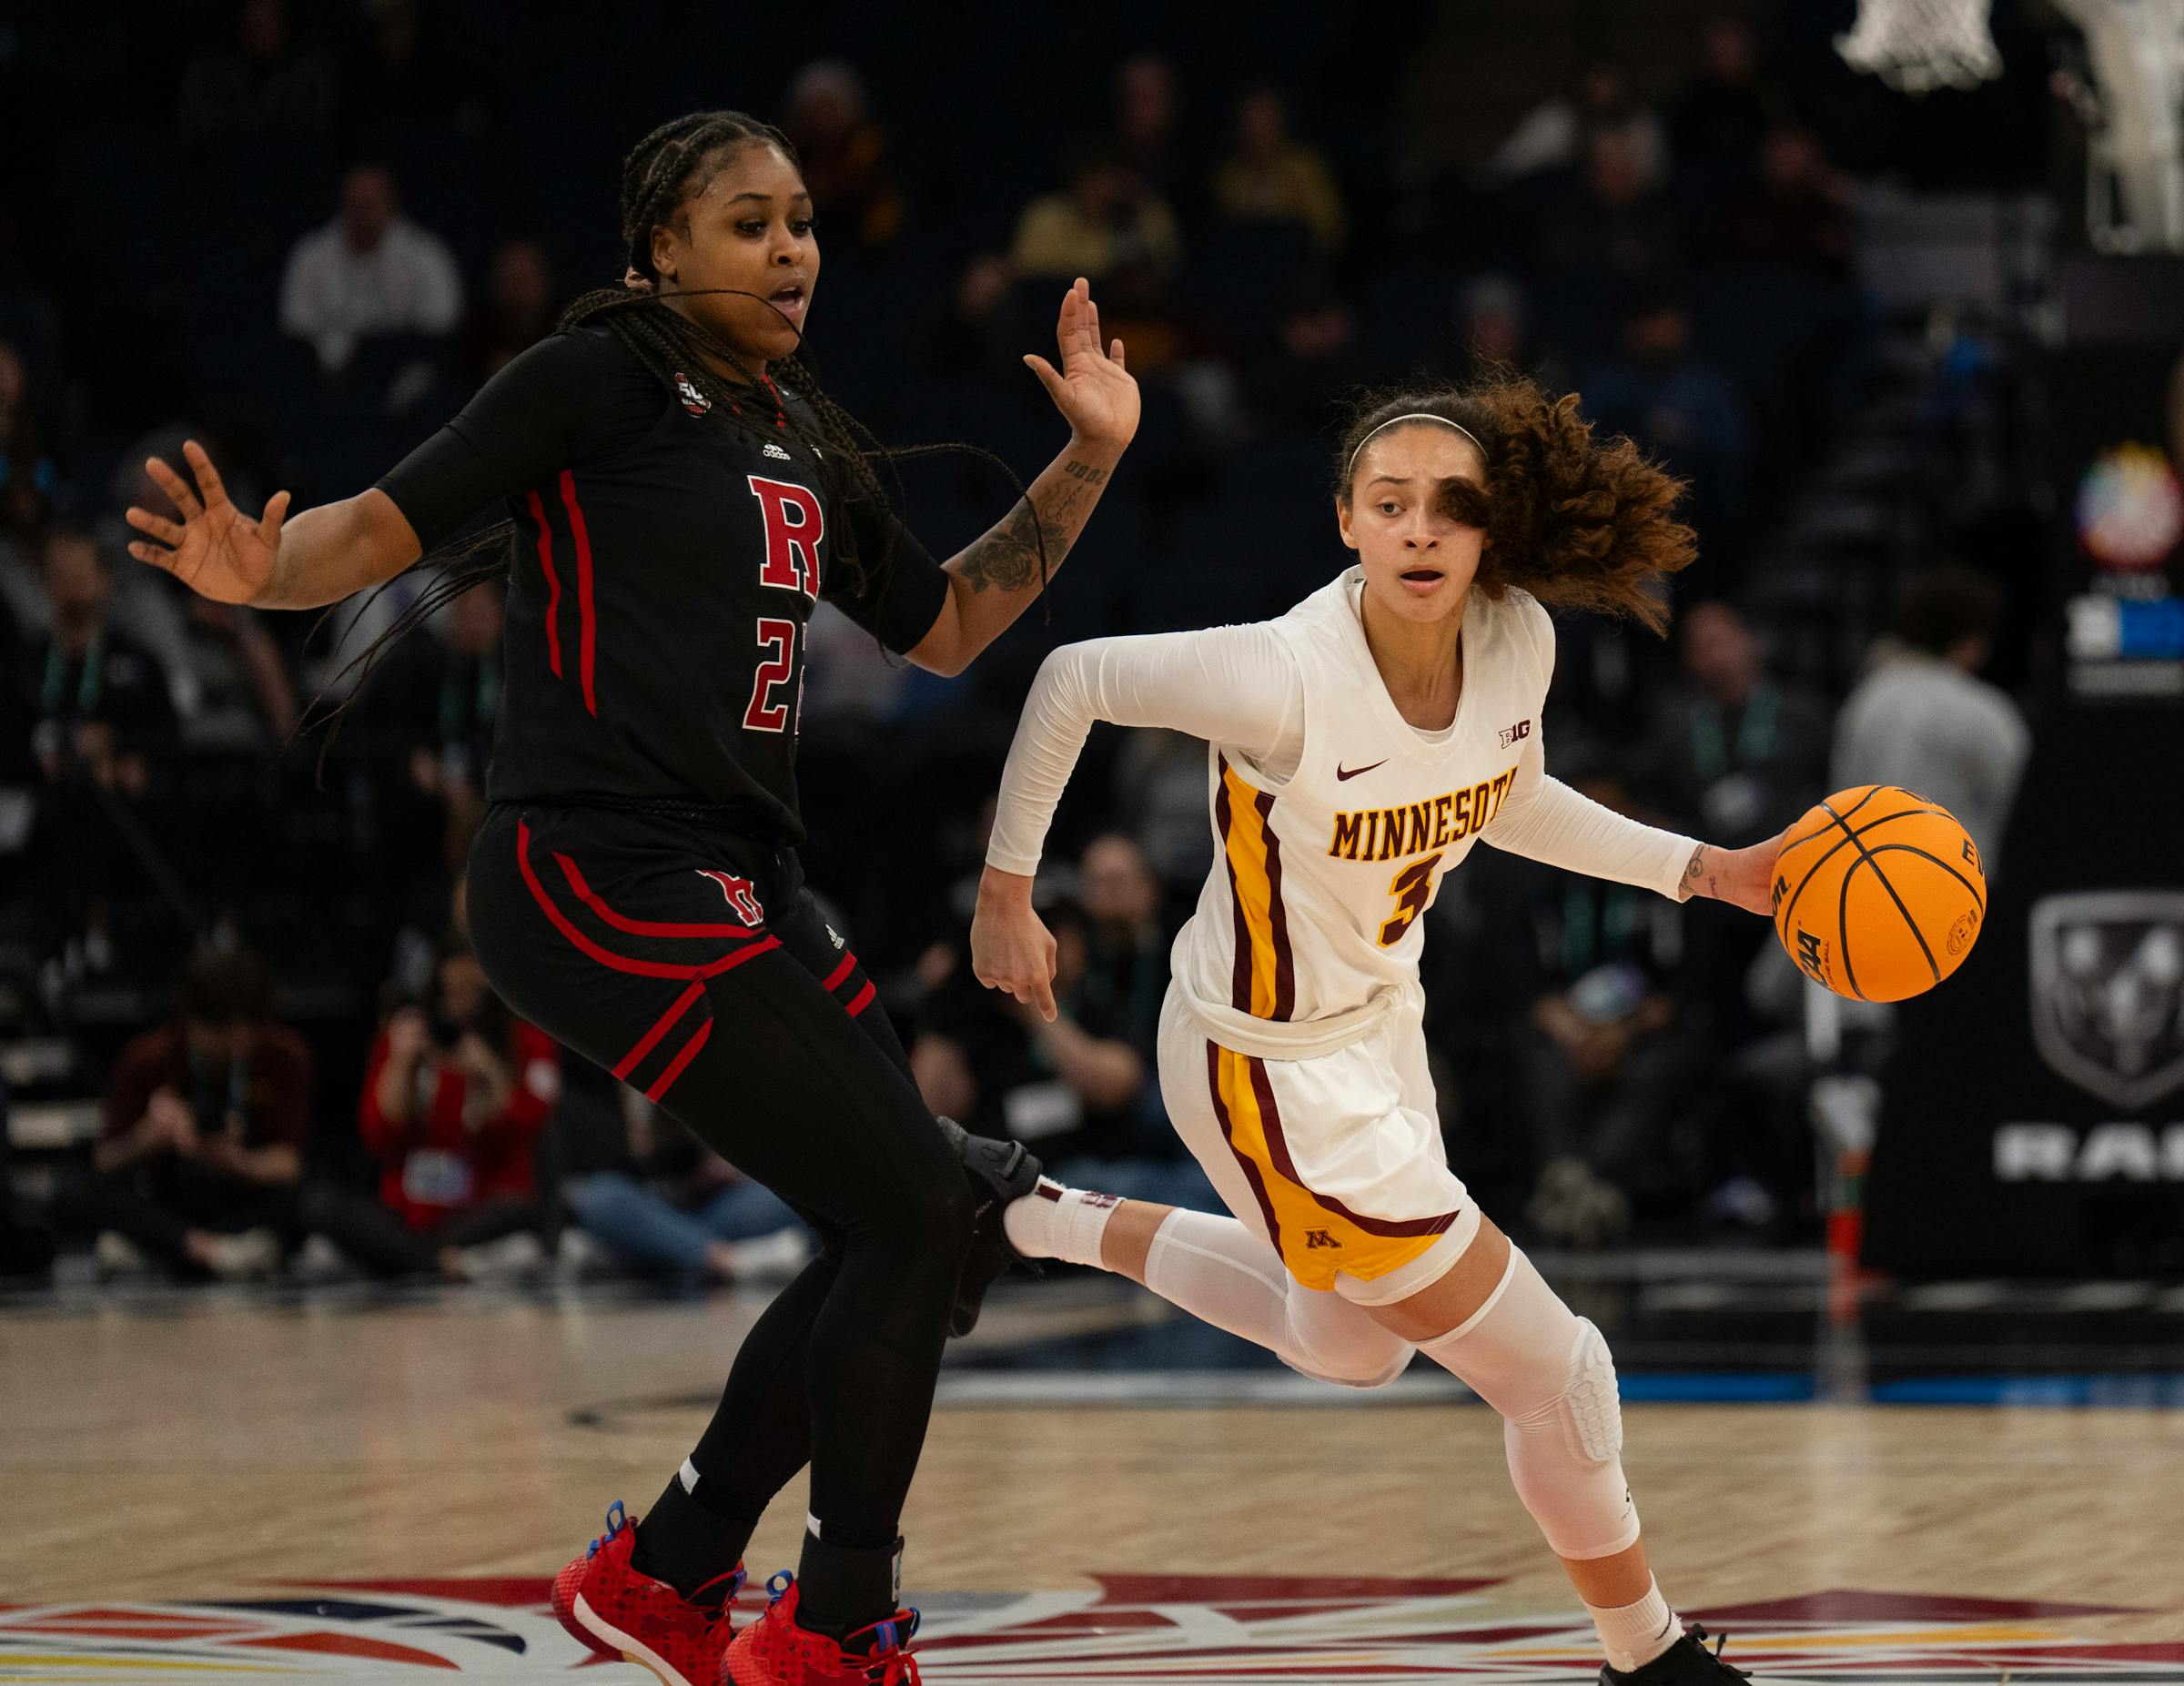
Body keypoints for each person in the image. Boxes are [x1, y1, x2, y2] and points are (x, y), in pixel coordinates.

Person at [126, 107, 1138, 1686]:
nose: (791, 246)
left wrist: (1089, 458)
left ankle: (667, 1573)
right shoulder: (594, 375)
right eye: (748, 221)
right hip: (588, 864)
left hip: (746, 875)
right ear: (660, 249)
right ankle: (835, 1626)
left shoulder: (802, 426)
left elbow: (944, 626)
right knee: (927, 1200)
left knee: (928, 1226)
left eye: (800, 219)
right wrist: (266, 574)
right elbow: (380, 527)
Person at [970, 378, 1785, 1686]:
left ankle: (1026, 1215)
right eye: (1390, 503)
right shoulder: (1285, 675)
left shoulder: (1518, 639)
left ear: (1488, 533)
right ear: (1346, 519)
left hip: (1378, 1032)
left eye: (1450, 508)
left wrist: (1706, 870)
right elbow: (1072, 679)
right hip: (1265, 1066)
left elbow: (1505, 794)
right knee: (1559, 1369)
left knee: (1352, 1347)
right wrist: (1007, 890)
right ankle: (1650, 1657)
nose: (1419, 530)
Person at [61, 945, 308, 1281]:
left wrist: (235, 1160)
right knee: (76, 1192)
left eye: (249, 1029)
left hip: (242, 1194)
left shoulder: (285, 1054)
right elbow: (105, 1160)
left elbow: (290, 1165)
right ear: (191, 1021)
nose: (237, 1043)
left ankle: (166, 1248)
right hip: (169, 1199)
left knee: (310, 1201)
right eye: (221, 1031)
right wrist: (149, 1137)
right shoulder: (147, 1057)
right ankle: (203, 1249)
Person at [1833, 564, 2028, 868]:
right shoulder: (1980, 710)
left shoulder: (1867, 698)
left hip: (1867, 883)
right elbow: (2024, 804)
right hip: (1953, 889)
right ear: (1973, 641)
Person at [278, 165, 463, 375]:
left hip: (401, 372)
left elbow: (442, 323)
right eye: (353, 206)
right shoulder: (311, 254)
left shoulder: (426, 254)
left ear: (391, 206)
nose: (361, 217)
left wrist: (380, 350)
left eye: (368, 206)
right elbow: (295, 324)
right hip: (328, 378)